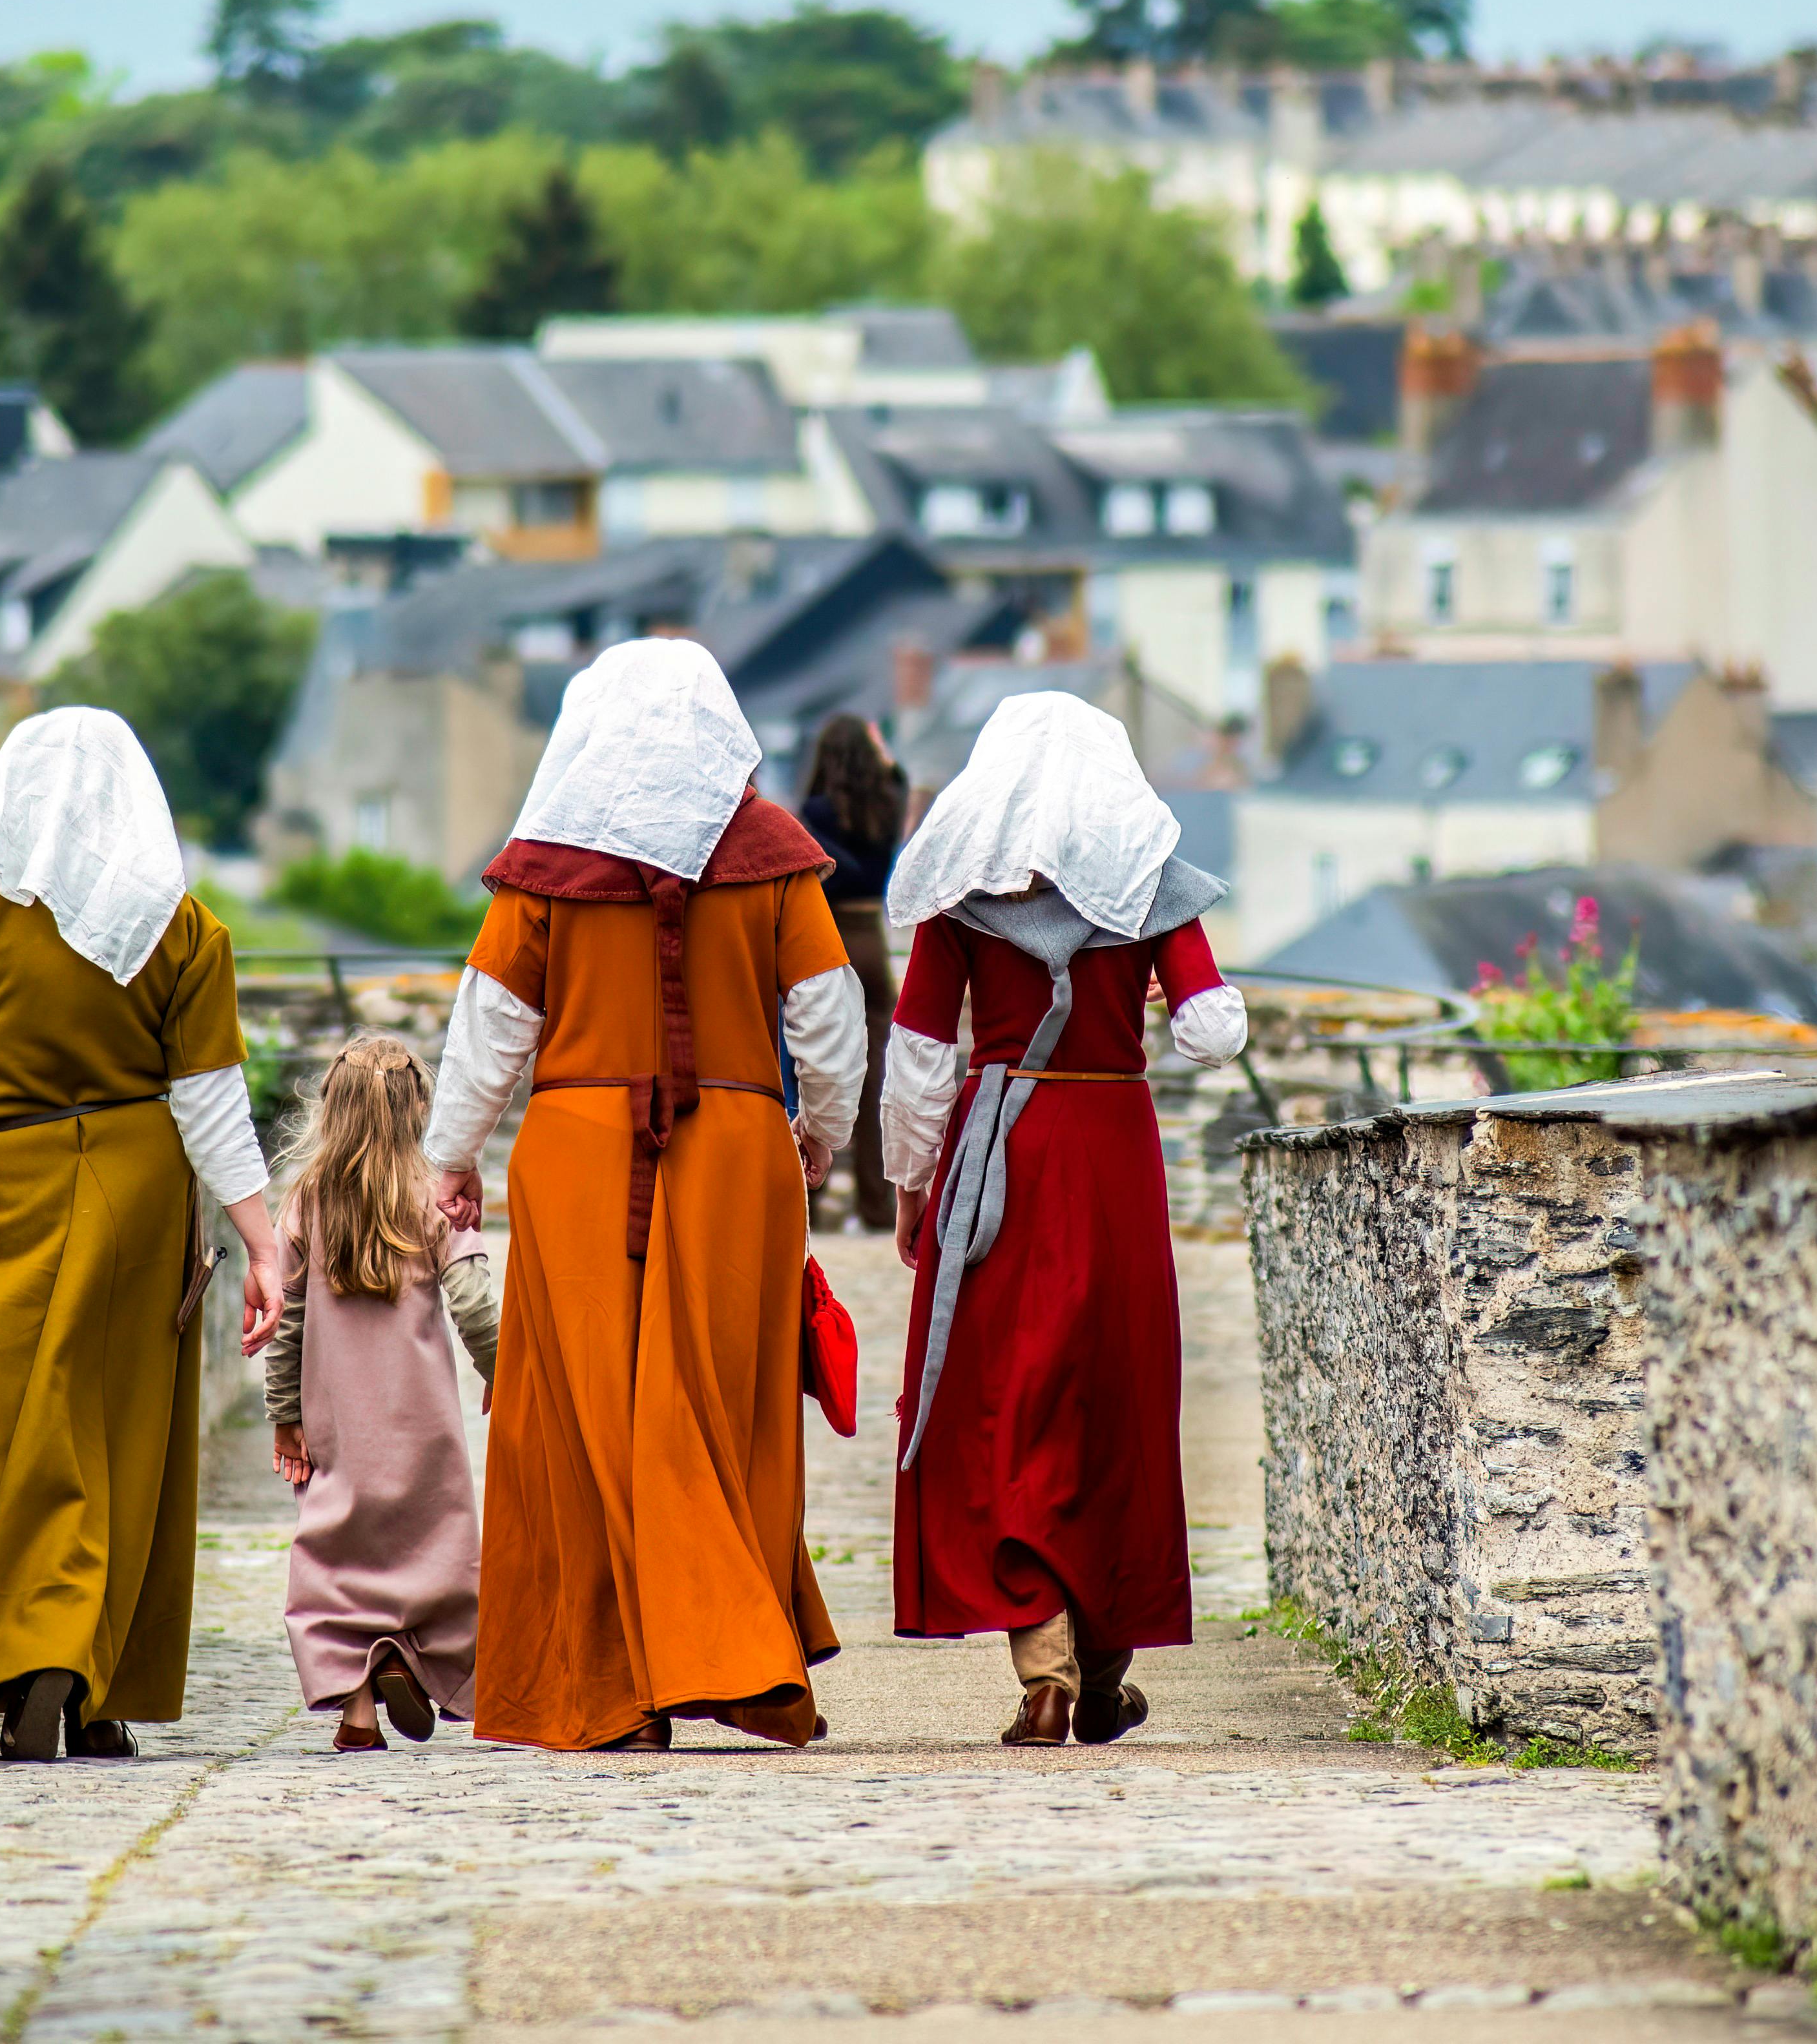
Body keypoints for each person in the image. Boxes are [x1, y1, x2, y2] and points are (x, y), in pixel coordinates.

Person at [421, 638, 869, 1751]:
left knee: (587, 1424)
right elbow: (828, 1018)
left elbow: (490, 1028)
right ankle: (727, 1650)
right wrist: (817, 1133)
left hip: (576, 1157)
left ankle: (612, 1686)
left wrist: (450, 1155)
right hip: (734, 1159)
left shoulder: (544, 864)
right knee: (718, 1416)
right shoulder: (771, 854)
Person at [0, 708, 284, 1763]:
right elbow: (210, 1109)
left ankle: (40, 1662)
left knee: (16, 1447)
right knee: (124, 1444)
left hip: (5, 1190)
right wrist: (265, 1244)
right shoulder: (183, 932)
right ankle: (92, 1685)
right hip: (140, 1197)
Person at [875, 692, 1249, 1748]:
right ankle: (1100, 1670)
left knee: (1010, 1405)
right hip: (1111, 1146)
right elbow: (1213, 1029)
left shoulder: (964, 896)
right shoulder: (1155, 890)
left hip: (998, 1152)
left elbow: (918, 1058)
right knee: (1110, 1400)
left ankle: (1044, 1670)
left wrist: (912, 1181)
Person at [260, 1035, 498, 1753]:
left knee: (336, 1569)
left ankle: (358, 1712)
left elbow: (287, 1320)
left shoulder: (306, 1201)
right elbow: (476, 1306)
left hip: (338, 1433)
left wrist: (285, 1417)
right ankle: (406, 1653)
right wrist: (505, 1371)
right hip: (423, 1436)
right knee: (439, 1561)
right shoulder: (436, 1203)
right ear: (420, 1112)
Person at [795, 713, 909, 1234]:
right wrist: (884, 759)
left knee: (812, 1063)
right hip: (872, 937)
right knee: (876, 1078)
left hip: (825, 938)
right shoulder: (886, 805)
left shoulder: (813, 811)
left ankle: (809, 1201)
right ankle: (875, 1204)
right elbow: (898, 780)